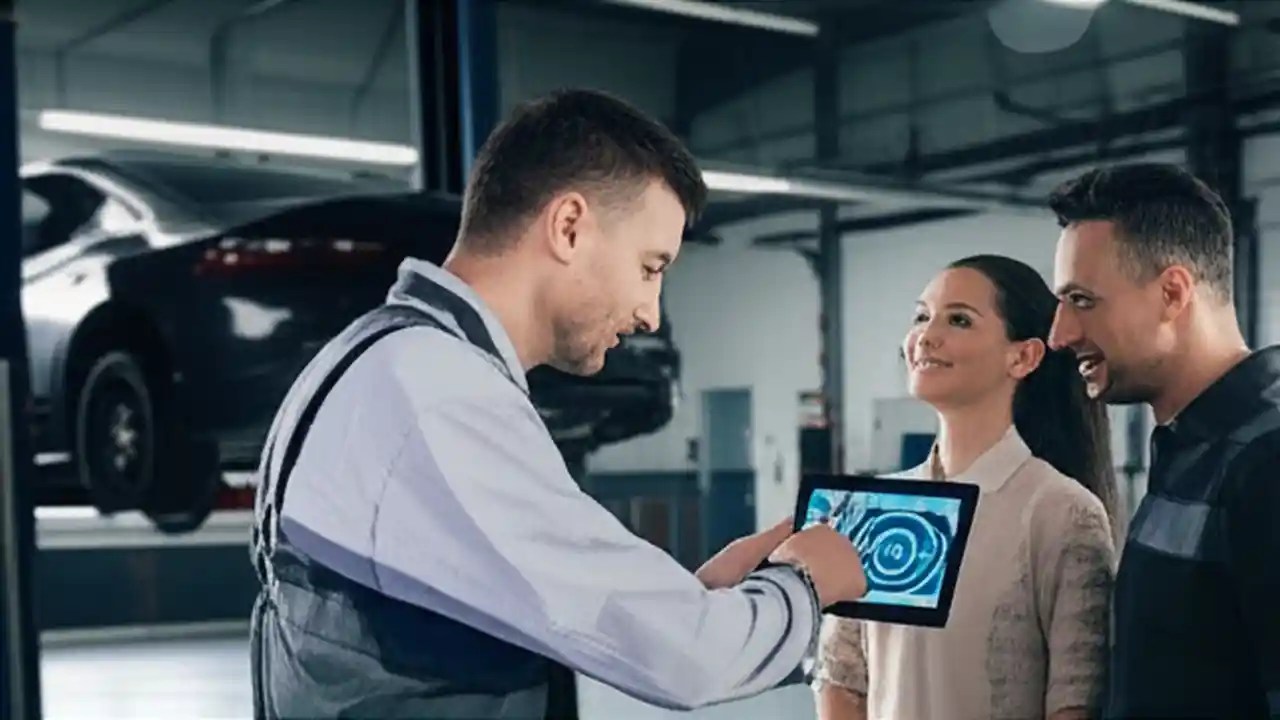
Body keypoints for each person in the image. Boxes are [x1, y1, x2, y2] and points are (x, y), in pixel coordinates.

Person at [247, 87, 868, 720]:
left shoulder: (377, 356)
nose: (651, 313)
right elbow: (690, 663)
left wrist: (697, 598)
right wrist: (806, 584)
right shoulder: (436, 393)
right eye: (651, 268)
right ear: (569, 227)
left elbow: (499, 610)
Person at [811, 254, 1121, 720]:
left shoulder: (1060, 511)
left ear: (1023, 356)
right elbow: (841, 678)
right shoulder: (875, 506)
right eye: (921, 316)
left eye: (958, 320)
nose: (926, 336)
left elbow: (1075, 699)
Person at [1046, 163, 1280, 719]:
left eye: (1082, 300)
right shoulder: (1190, 450)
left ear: (1172, 292)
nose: (1060, 334)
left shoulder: (1266, 460)